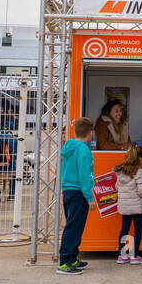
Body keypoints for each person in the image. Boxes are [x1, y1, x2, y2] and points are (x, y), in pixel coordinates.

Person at [56, 117, 95, 275]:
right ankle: (65, 261)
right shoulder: (83, 150)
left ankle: (72, 258)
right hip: (79, 191)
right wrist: (89, 197)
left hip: (68, 189)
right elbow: (84, 175)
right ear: (90, 133)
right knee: (74, 227)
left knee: (73, 224)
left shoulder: (69, 146)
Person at [112, 144, 142, 265]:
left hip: (124, 206)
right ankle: (134, 256)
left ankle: (122, 256)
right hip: (136, 207)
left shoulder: (121, 172)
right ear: (139, 159)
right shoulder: (139, 172)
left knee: (125, 229)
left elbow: (117, 187)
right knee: (138, 230)